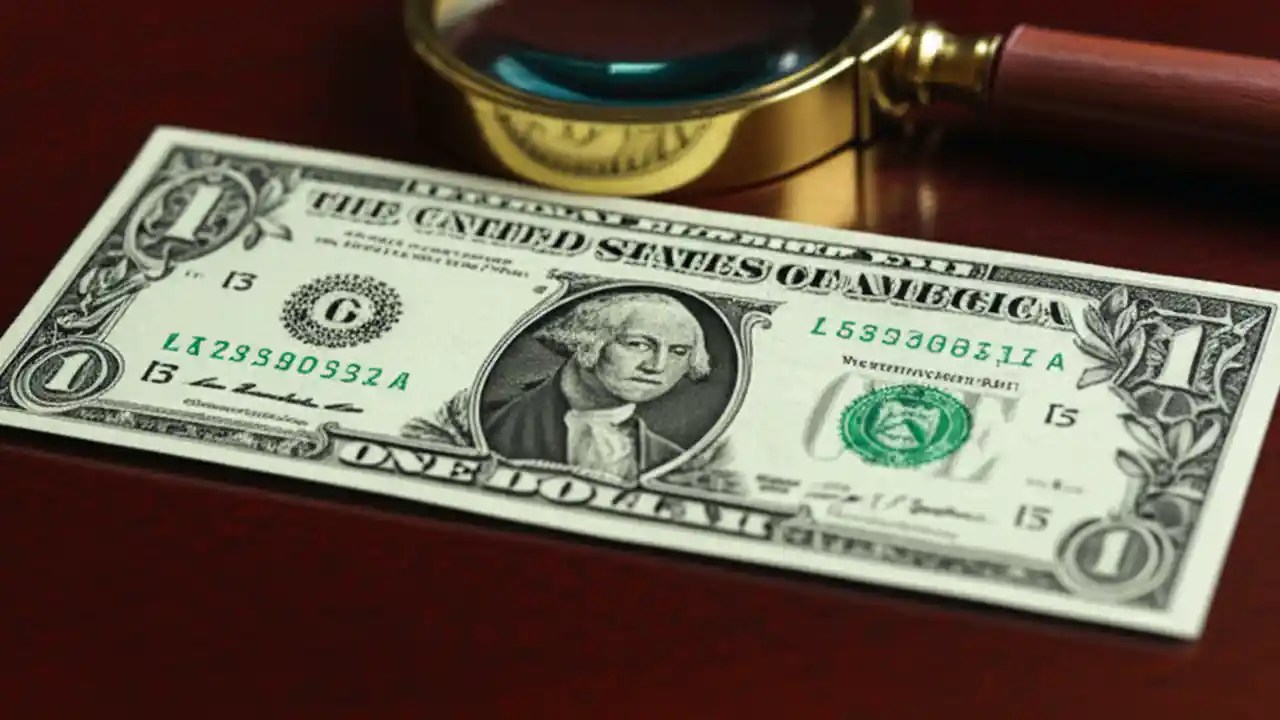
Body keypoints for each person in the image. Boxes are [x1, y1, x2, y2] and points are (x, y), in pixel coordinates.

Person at [482, 291, 712, 481]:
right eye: (638, 344)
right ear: (585, 343)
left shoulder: (676, 464)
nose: (657, 366)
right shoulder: (492, 423)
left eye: (679, 352)